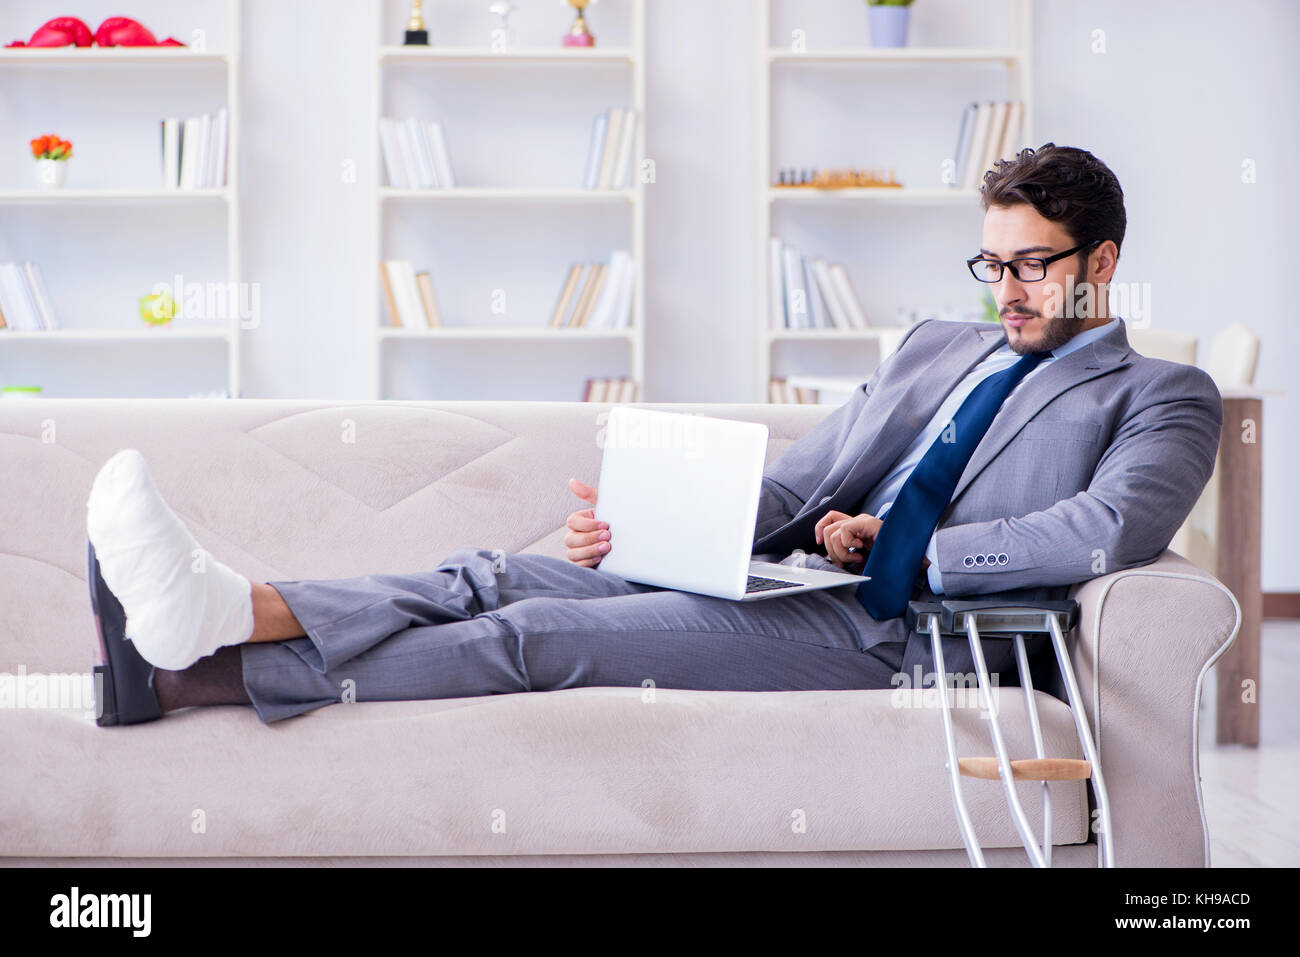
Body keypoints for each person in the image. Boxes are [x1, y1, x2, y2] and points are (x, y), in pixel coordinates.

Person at [86, 143, 1222, 727]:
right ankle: (227, 611)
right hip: (780, 576)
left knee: (532, 634)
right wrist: (673, 528)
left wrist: (905, 553)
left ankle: (196, 682)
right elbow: (807, 476)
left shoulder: (1159, 392)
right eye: (994, 264)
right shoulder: (940, 343)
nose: (1007, 291)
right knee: (491, 573)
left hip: (895, 628)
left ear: (1101, 263)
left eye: (1032, 266)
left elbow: (1103, 529)